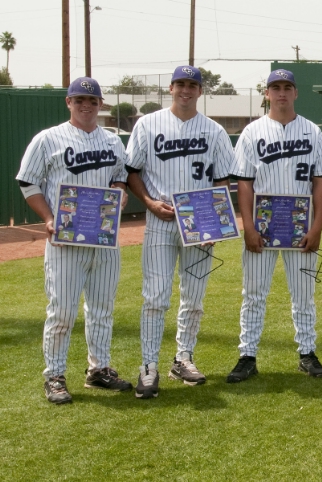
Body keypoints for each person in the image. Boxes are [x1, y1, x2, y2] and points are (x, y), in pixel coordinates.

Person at [16, 77, 133, 404]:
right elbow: (29, 184)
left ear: (100, 105)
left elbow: (119, 178)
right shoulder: (47, 139)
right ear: (68, 102)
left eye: (92, 100)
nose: (86, 105)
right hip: (65, 241)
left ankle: (99, 370)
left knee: (102, 309)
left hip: (104, 241)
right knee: (62, 312)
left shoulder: (112, 142)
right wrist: (49, 218)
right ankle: (54, 375)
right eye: (79, 99)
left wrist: (121, 195)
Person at [125, 66, 235, 398]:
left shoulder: (214, 131)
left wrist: (215, 219)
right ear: (171, 88)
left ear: (200, 91)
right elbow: (132, 171)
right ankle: (148, 366)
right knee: (155, 297)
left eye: (193, 85)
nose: (186, 90)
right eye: (181, 84)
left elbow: (222, 179)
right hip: (160, 219)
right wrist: (147, 202)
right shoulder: (147, 124)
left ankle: (183, 358)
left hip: (199, 223)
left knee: (194, 298)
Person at [226, 69, 322, 383]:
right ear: (267, 94)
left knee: (303, 295)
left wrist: (317, 228)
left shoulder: (313, 132)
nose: (282, 93)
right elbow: (244, 184)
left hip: (301, 227)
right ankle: (247, 355)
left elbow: (321, 182)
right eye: (276, 88)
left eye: (288, 87)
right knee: (254, 294)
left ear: (296, 93)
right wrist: (248, 227)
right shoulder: (252, 132)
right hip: (263, 227)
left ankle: (307, 353)